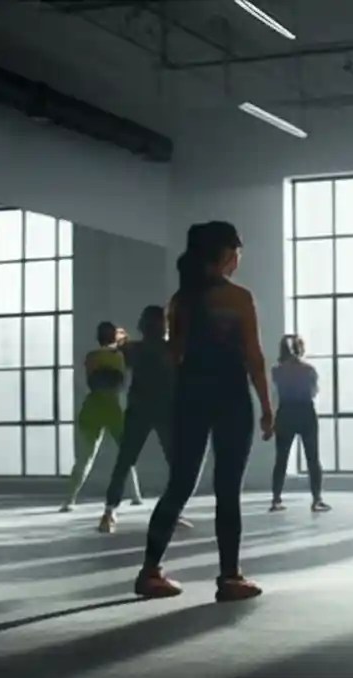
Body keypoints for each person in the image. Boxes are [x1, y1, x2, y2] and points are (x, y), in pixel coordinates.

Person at [134, 221, 273, 603]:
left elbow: (175, 355)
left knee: (179, 485)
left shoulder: (181, 300)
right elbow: (254, 358)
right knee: (228, 489)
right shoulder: (239, 298)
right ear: (228, 255)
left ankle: (149, 571)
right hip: (230, 398)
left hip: (189, 397)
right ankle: (230, 577)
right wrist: (266, 406)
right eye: (238, 252)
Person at [101, 306, 192, 534]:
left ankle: (109, 512)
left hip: (139, 410)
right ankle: (173, 512)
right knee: (175, 464)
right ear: (164, 326)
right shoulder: (172, 349)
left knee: (125, 462)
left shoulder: (133, 349)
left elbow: (115, 345)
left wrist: (121, 336)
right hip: (164, 411)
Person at [61, 322, 143, 513]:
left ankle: (69, 499)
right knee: (126, 454)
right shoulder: (121, 356)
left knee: (84, 458)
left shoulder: (91, 357)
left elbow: (90, 380)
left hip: (93, 408)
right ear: (114, 337)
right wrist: (124, 339)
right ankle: (136, 495)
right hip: (115, 408)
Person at [269, 334, 328, 513]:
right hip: (305, 412)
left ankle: (276, 499)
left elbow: (275, 394)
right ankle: (317, 499)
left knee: (281, 459)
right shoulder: (309, 370)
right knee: (313, 458)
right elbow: (313, 392)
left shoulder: (276, 371)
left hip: (285, 412)